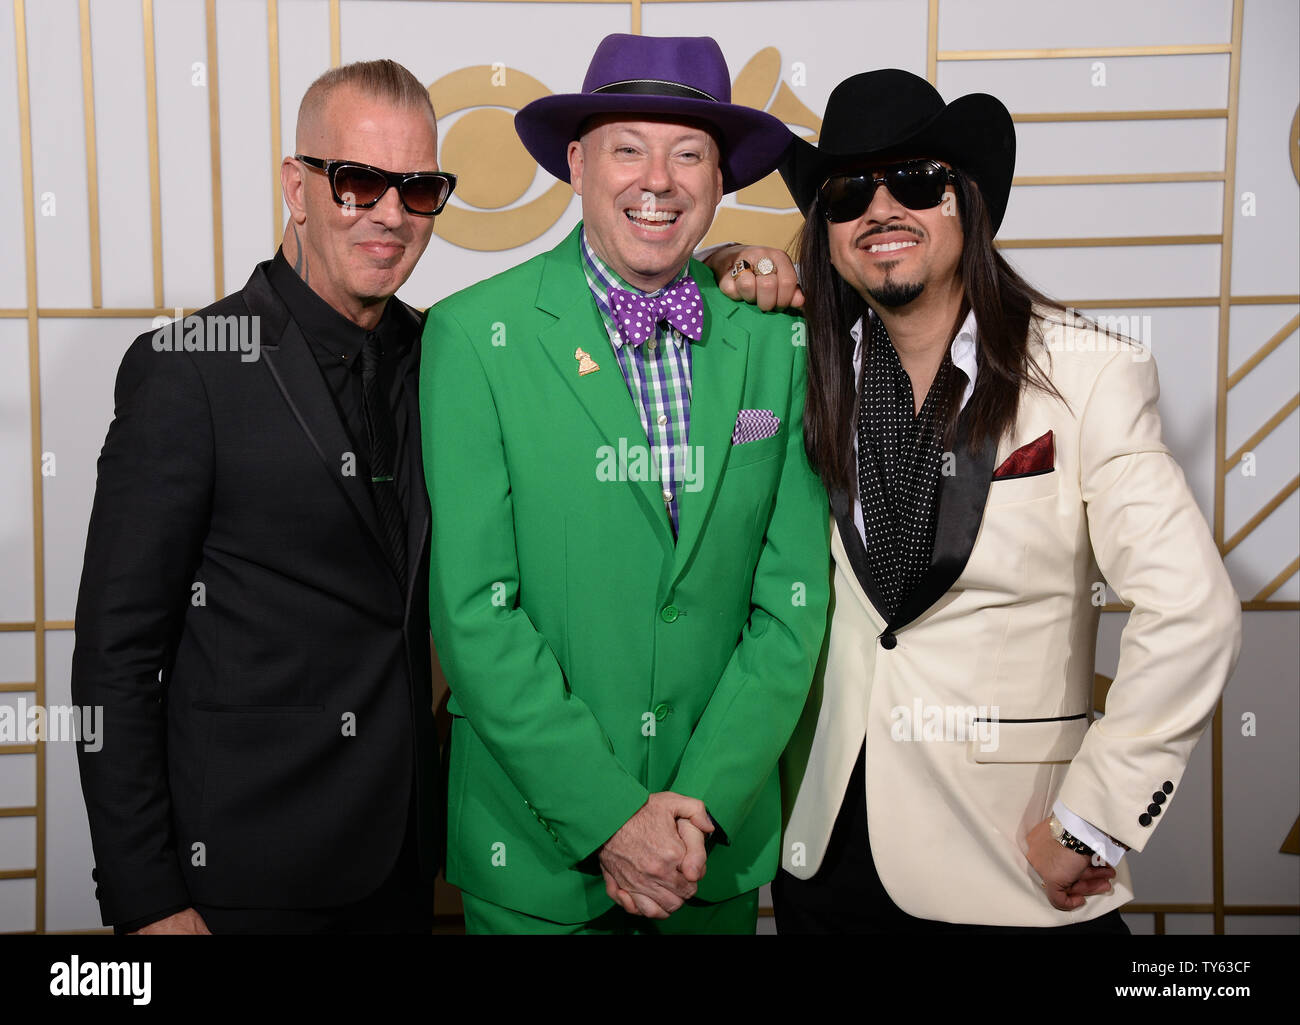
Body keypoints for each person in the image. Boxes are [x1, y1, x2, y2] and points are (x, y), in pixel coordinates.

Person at [718, 69, 1241, 932]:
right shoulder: (806, 361)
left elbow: (1192, 610)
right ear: (827, 231)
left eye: (916, 182)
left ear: (967, 200)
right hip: (827, 855)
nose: (881, 209)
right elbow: (659, 283)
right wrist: (724, 258)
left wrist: (1095, 817)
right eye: (849, 193)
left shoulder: (1088, 372)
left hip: (1013, 858)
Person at [419, 33, 830, 934]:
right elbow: (474, 611)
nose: (660, 179)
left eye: (690, 153)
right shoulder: (471, 337)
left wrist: (698, 804)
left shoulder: (779, 345)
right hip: (535, 861)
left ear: (720, 183)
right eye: (628, 148)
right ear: (576, 163)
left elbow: (792, 605)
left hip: (706, 856)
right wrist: (610, 817)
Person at [71, 59, 454, 934]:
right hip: (237, 881)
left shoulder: (446, 358)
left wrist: (720, 264)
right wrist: (149, 899)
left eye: (419, 188)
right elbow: (113, 660)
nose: (390, 215)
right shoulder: (191, 369)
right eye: (358, 182)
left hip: (404, 864)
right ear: (298, 185)